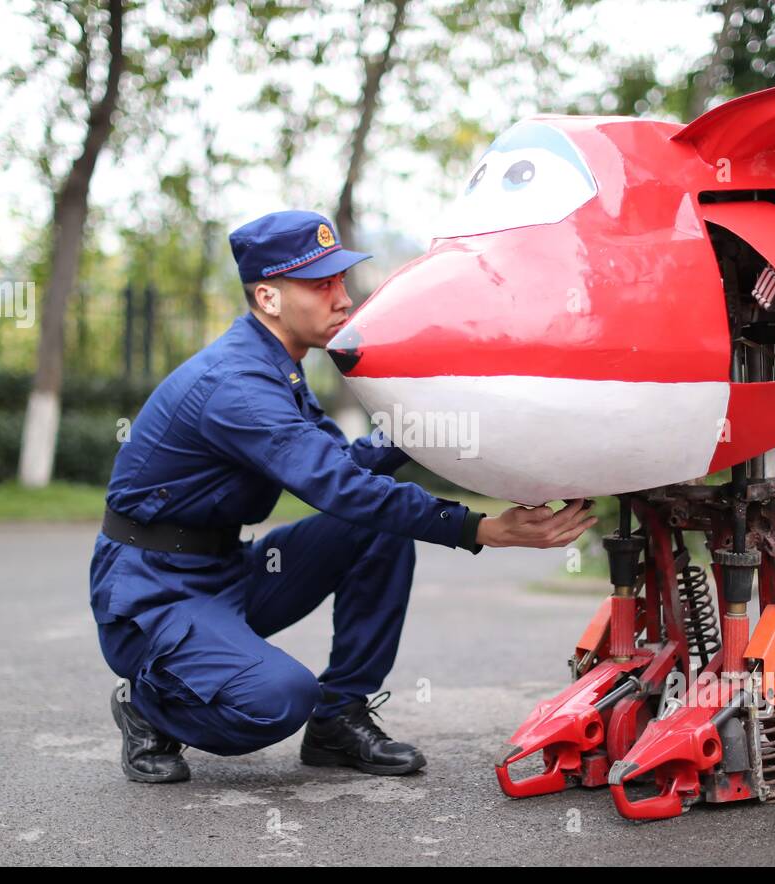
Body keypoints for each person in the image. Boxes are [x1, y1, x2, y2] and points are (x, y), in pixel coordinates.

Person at [89, 209, 596, 783]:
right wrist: (475, 529)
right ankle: (148, 708)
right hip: (155, 594)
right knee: (278, 698)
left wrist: (425, 421)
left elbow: (340, 463)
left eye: (340, 280)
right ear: (269, 297)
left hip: (222, 571)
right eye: (320, 284)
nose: (342, 298)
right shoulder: (238, 385)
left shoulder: (276, 367)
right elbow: (338, 487)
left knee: (378, 528)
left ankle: (338, 721)